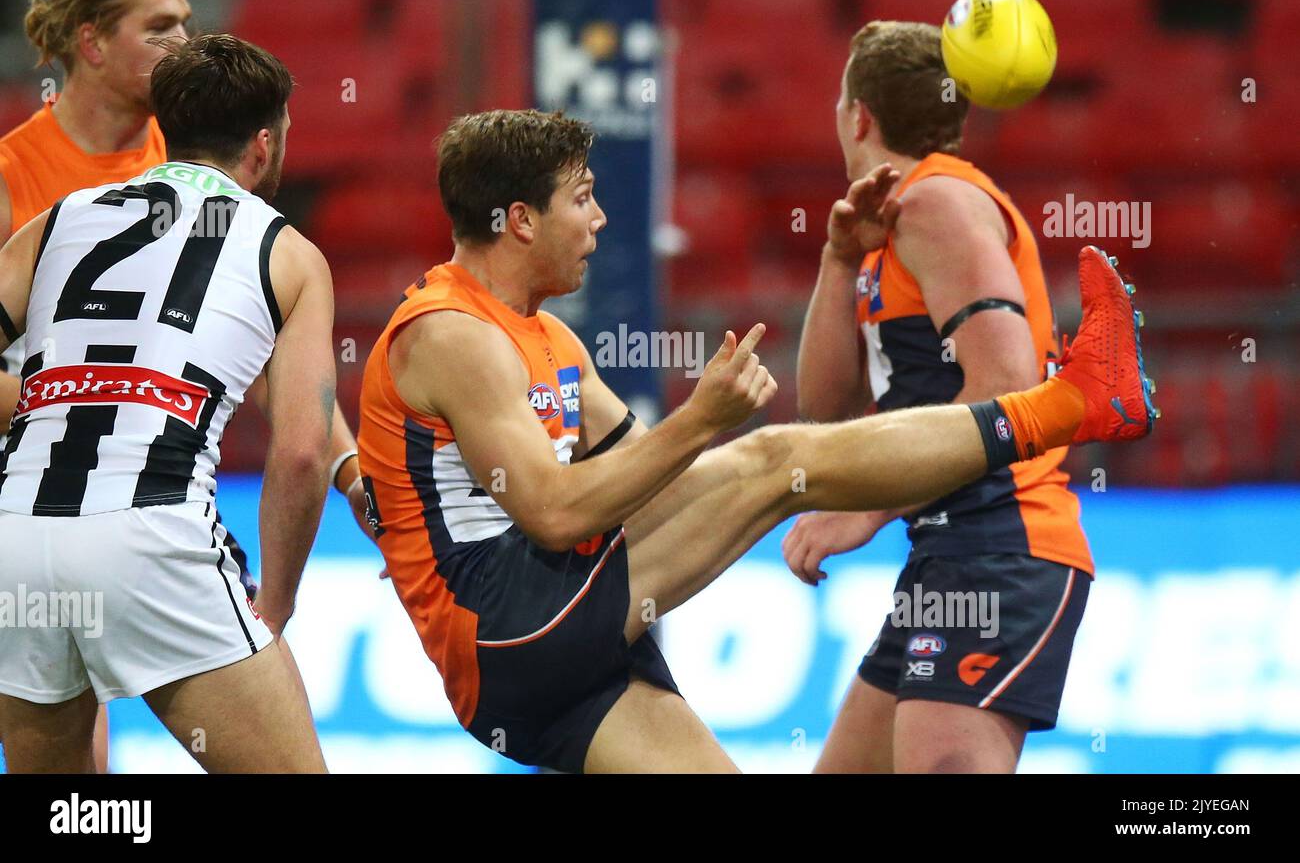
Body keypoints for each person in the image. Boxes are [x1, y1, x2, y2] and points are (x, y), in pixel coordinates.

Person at [356, 107, 1155, 774]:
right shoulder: (451, 335)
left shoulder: (549, 338)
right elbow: (557, 516)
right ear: (521, 221)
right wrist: (708, 423)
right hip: (504, 626)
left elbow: (662, 489)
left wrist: (758, 466)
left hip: (551, 647)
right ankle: (1067, 407)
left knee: (776, 465)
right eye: (583, 199)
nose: (599, 219)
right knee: (775, 461)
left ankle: (1071, 404)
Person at [0, 0, 372, 771]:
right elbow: (303, 448)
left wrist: (58, 392)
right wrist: (274, 601)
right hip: (150, 529)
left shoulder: (59, 217)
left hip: (16, 534)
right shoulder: (286, 249)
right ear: (268, 145)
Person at [784, 20, 1121, 773]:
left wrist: (866, 506)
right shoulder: (889, 216)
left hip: (1001, 545)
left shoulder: (937, 202)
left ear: (858, 114)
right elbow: (825, 412)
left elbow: (1006, 387)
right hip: (948, 555)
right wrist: (840, 261)